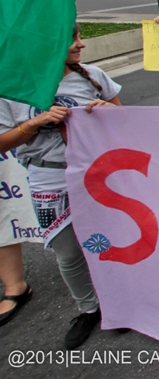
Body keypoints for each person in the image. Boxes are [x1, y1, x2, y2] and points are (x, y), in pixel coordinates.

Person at [0, 25, 121, 348]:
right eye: (72, 39)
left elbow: (125, 121)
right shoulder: (11, 86)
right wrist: (32, 124)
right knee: (68, 253)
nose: (81, 45)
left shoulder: (92, 76)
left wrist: (108, 112)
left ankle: (120, 304)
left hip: (98, 174)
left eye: (80, 36)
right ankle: (88, 308)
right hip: (47, 178)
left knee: (112, 242)